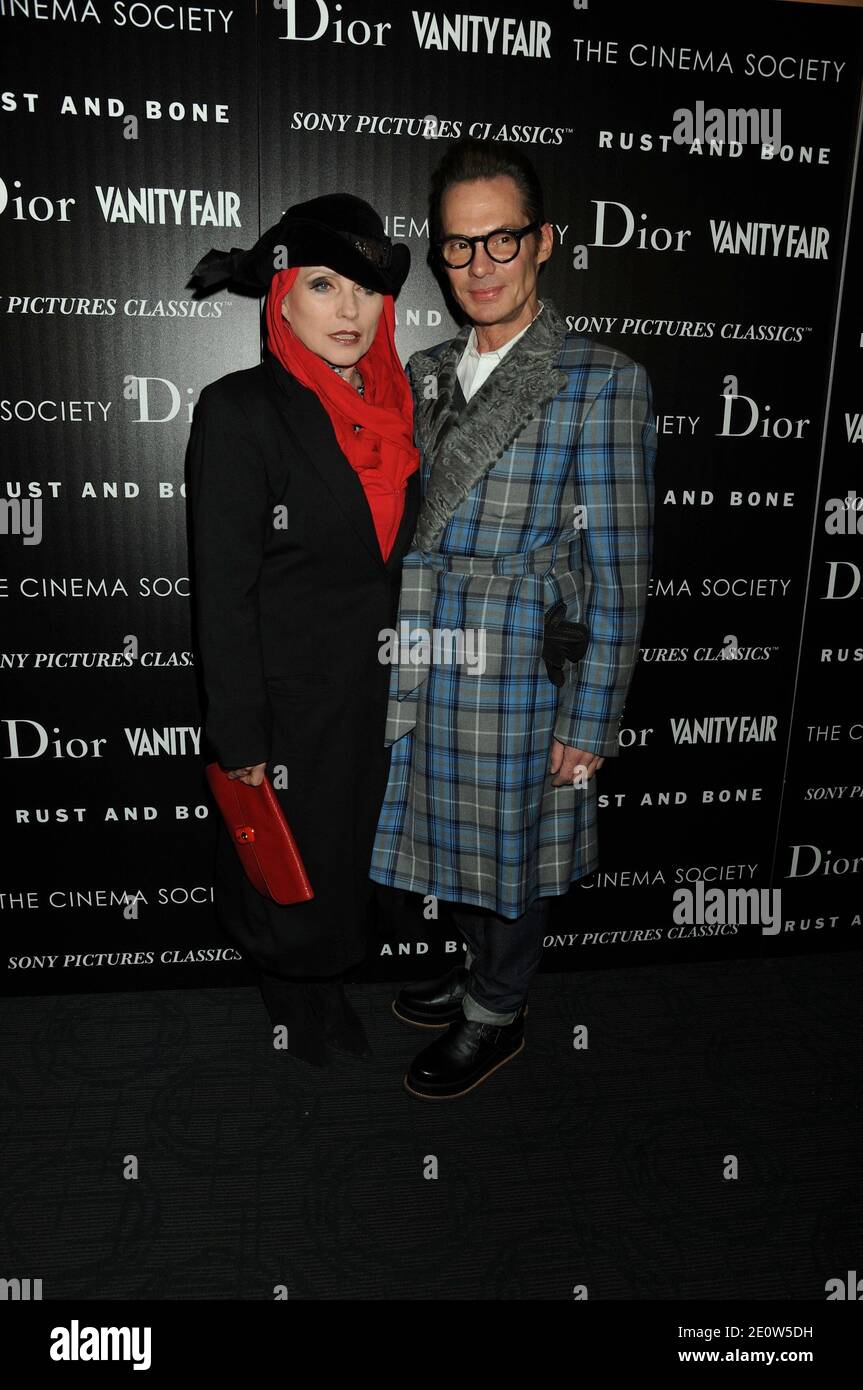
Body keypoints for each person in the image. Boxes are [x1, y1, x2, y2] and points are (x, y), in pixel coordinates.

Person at [369, 139, 657, 1100]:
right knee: (452, 836)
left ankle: (498, 1010)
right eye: (458, 247)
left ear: (543, 244)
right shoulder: (423, 369)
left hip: (521, 663)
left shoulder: (600, 379)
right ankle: (475, 970)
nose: (479, 267)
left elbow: (619, 570)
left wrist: (591, 720)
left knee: (512, 843)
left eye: (501, 242)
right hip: (424, 642)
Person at [186, 195, 420, 1067]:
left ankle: (328, 979)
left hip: (383, 695)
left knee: (358, 855)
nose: (350, 310)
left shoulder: (403, 410)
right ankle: (295, 999)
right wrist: (239, 733)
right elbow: (224, 589)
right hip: (290, 705)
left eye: (365, 289)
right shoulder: (240, 409)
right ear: (281, 296)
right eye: (325, 285)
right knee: (293, 870)